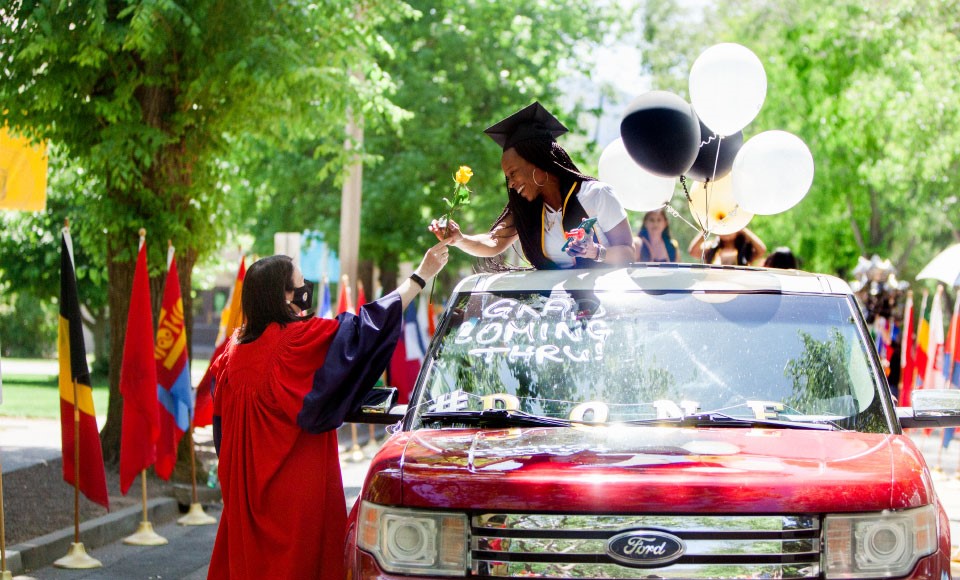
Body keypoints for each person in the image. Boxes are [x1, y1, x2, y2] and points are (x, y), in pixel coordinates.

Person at [207, 240, 450, 580]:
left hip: (245, 495)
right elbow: (364, 330)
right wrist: (420, 277)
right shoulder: (294, 343)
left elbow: (221, 433)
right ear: (285, 296)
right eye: (301, 283)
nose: (306, 290)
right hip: (294, 493)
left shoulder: (230, 355)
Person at [428, 102, 634, 269]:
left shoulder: (596, 195)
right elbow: (493, 242)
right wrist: (460, 239)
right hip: (556, 309)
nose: (511, 183)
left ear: (537, 163)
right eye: (507, 177)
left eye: (513, 173)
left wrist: (596, 251)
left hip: (603, 307)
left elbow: (628, 253)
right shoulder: (529, 209)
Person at [688, 227, 766, 266]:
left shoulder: (745, 251)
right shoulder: (711, 247)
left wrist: (742, 228)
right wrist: (708, 228)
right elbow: (693, 252)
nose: (726, 230)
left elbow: (761, 250)